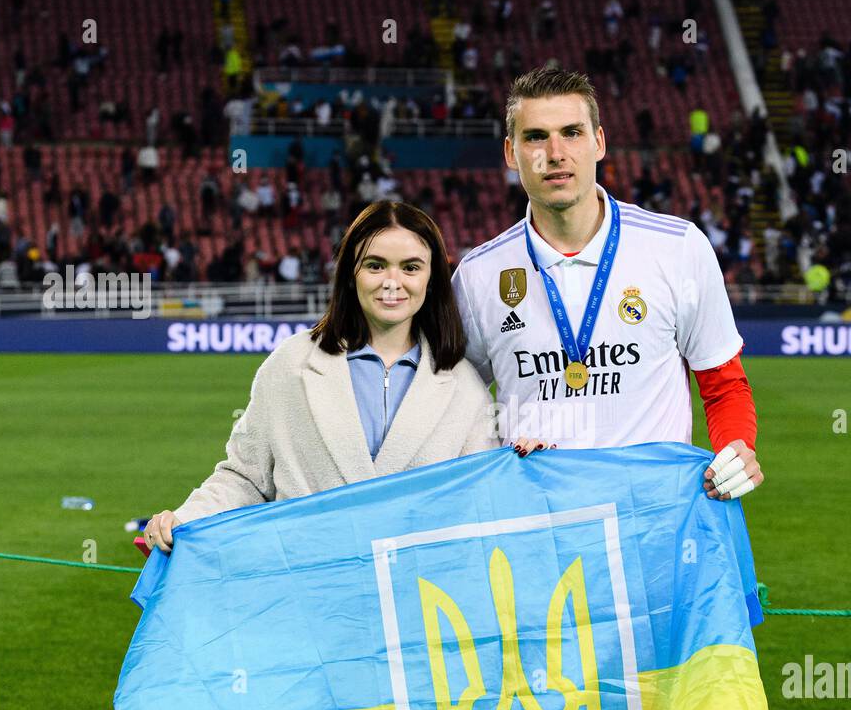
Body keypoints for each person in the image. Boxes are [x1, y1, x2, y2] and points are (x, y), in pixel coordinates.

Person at [450, 67, 763, 501]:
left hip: (652, 521)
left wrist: (737, 448)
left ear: (599, 142)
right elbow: (452, 406)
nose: (555, 153)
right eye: (536, 137)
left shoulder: (677, 247)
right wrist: (496, 448)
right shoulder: (478, 275)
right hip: (538, 527)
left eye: (572, 133)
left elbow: (724, 383)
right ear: (510, 152)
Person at [144, 202, 499, 552]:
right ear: (350, 274)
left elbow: (485, 505)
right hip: (306, 594)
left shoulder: (466, 388)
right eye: (375, 266)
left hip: (416, 599)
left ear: (432, 278)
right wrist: (187, 519)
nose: (393, 282)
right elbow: (246, 478)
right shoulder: (290, 364)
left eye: (410, 268)